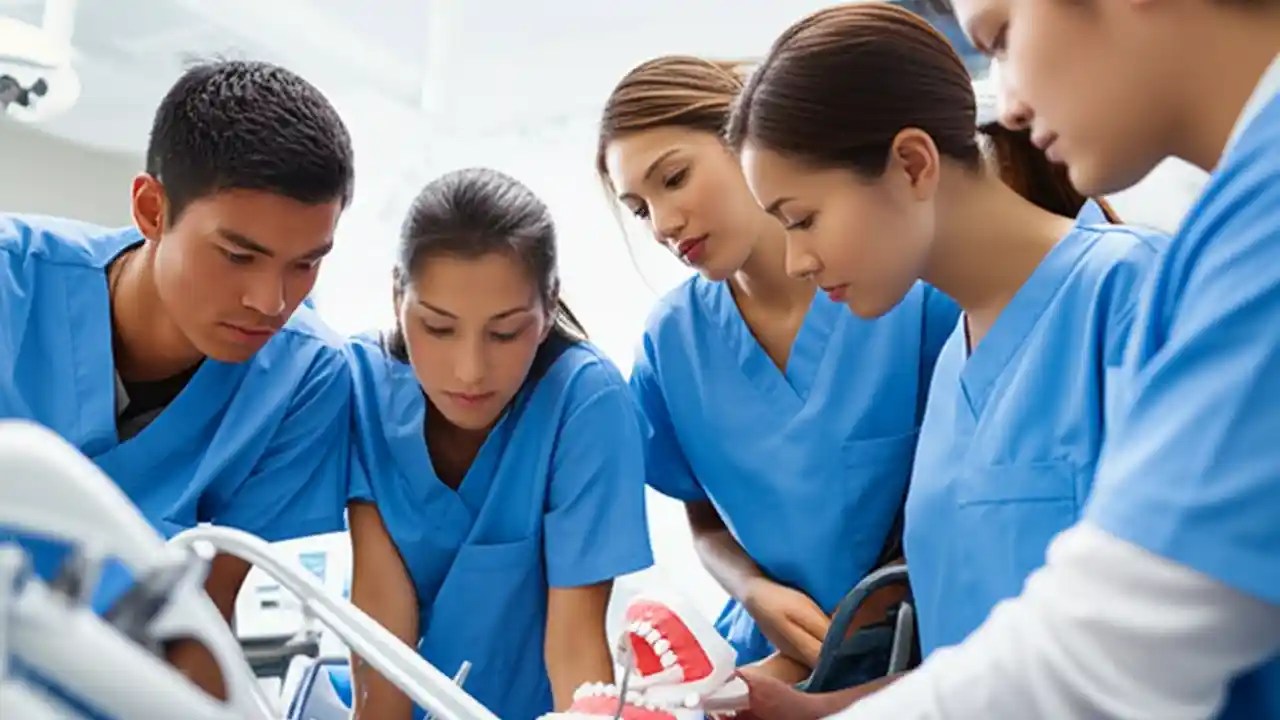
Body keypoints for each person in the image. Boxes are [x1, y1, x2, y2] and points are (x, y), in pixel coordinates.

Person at [751, 0, 1280, 716]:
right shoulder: (951, 369)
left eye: (1000, 39)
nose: (1010, 102)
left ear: (912, 163)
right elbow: (994, 651)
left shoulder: (1139, 288)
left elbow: (1112, 650)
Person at [598, 55, 960, 680]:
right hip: (767, 649)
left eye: (675, 178)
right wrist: (751, 593)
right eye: (639, 209)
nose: (663, 224)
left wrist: (838, 656)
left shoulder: (907, 292)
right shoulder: (671, 343)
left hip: (921, 646)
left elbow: (958, 502)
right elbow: (703, 520)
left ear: (743, 134)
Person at [0, 59, 355, 693]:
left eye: (304, 265)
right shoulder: (10, 286)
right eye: (238, 256)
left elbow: (195, 631)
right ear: (151, 208)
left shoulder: (305, 379)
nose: (271, 301)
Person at [345, 168, 654, 720]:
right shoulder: (361, 387)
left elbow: (576, 645)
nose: (470, 370)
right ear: (398, 296)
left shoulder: (585, 403)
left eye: (505, 332)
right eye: (438, 328)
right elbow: (380, 617)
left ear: (549, 305)